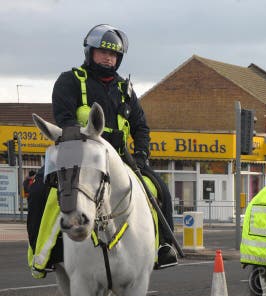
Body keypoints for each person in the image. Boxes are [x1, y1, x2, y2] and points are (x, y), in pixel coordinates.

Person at [28, 24, 177, 278]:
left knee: (159, 189)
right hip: (79, 156)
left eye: (114, 55)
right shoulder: (70, 81)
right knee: (41, 190)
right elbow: (65, 120)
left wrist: (141, 156)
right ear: (90, 52)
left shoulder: (125, 90)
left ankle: (164, 246)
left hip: (120, 160)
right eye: (103, 53)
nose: (109, 58)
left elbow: (141, 127)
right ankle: (45, 252)